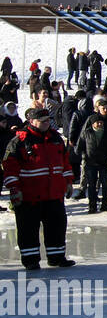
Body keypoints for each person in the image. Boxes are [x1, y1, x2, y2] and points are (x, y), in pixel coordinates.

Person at [2, 108, 76, 269]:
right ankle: (31, 261)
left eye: (48, 120)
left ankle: (56, 257)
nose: (46, 123)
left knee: (57, 227)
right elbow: (9, 167)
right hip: (29, 196)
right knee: (28, 230)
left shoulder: (56, 138)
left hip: (54, 193)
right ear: (32, 121)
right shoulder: (19, 141)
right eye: (42, 121)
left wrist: (68, 182)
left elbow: (65, 162)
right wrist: (14, 189)